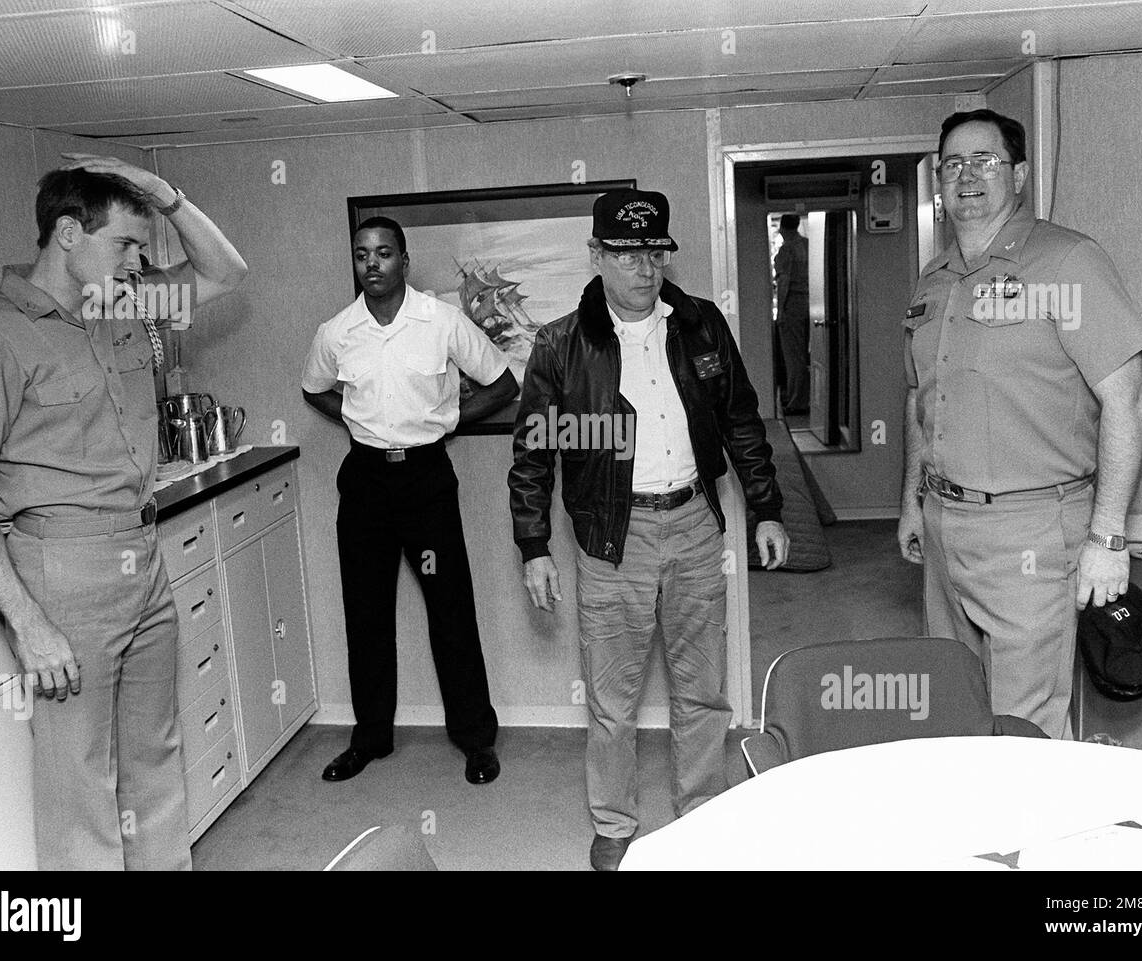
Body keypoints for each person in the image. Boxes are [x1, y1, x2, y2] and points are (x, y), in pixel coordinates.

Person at [0, 155, 248, 869]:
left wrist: (169, 197)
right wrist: (28, 620)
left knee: (155, 764)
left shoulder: (122, 307)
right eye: (126, 245)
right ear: (67, 234)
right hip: (62, 573)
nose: (139, 262)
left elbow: (227, 272)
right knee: (81, 787)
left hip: (143, 558)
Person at [508, 188, 790, 871]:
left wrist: (767, 504)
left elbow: (741, 421)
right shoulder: (560, 344)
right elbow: (534, 450)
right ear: (598, 254)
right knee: (613, 698)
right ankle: (613, 822)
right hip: (612, 535)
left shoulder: (700, 326)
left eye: (655, 252)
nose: (644, 268)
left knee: (703, 687)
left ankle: (700, 812)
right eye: (628, 253)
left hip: (694, 521)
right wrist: (533, 546)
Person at [897, 109, 1142, 740]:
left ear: (1018, 173)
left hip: (1032, 531)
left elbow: (1128, 400)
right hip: (943, 524)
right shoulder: (935, 280)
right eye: (953, 163)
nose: (967, 175)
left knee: (1025, 730)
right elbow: (919, 398)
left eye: (985, 160)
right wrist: (911, 502)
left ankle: (1032, 841)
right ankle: (975, 837)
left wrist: (1109, 539)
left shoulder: (1064, 263)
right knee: (955, 706)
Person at [302, 216, 517, 786]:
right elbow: (314, 390)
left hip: (425, 483)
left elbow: (502, 386)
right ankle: (370, 738)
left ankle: (476, 740)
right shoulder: (337, 331)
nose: (372, 264)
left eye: (384, 253)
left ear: (404, 258)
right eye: (361, 254)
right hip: (366, 483)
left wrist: (446, 421)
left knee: (450, 609)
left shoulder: (442, 322)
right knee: (366, 613)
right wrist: (355, 419)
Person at [772, 214, 810, 415]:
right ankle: (805, 396)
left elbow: (784, 282)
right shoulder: (808, 244)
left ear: (783, 229)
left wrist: (781, 312)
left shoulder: (787, 250)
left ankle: (797, 401)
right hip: (811, 305)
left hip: (793, 306)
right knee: (806, 354)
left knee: (793, 356)